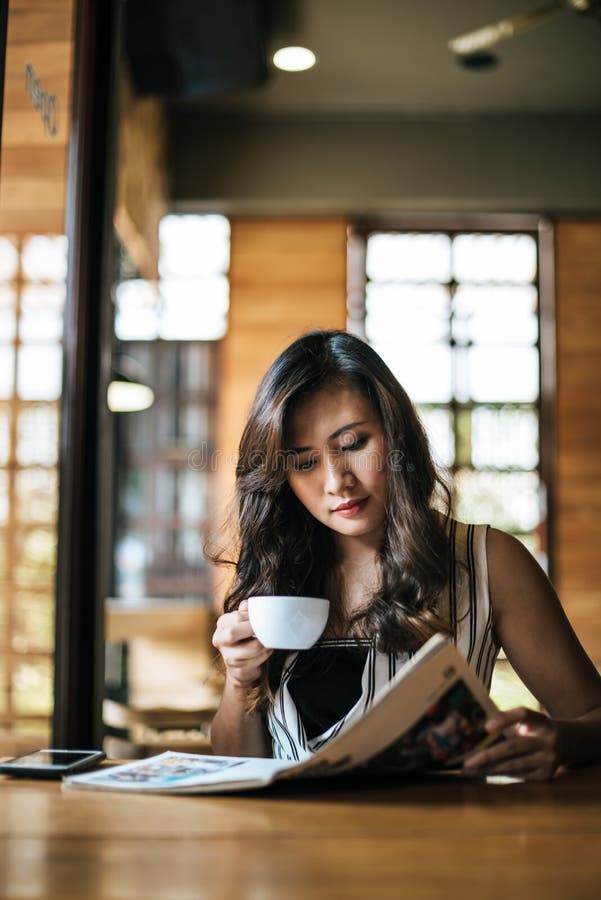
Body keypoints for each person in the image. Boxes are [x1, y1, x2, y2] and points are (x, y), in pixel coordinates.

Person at [210, 329, 601, 780]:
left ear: (396, 437)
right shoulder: (276, 578)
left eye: (354, 444)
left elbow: (593, 716)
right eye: (304, 462)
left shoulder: (490, 562)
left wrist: (559, 741)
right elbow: (233, 770)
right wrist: (239, 683)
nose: (337, 481)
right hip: (293, 846)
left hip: (439, 844)